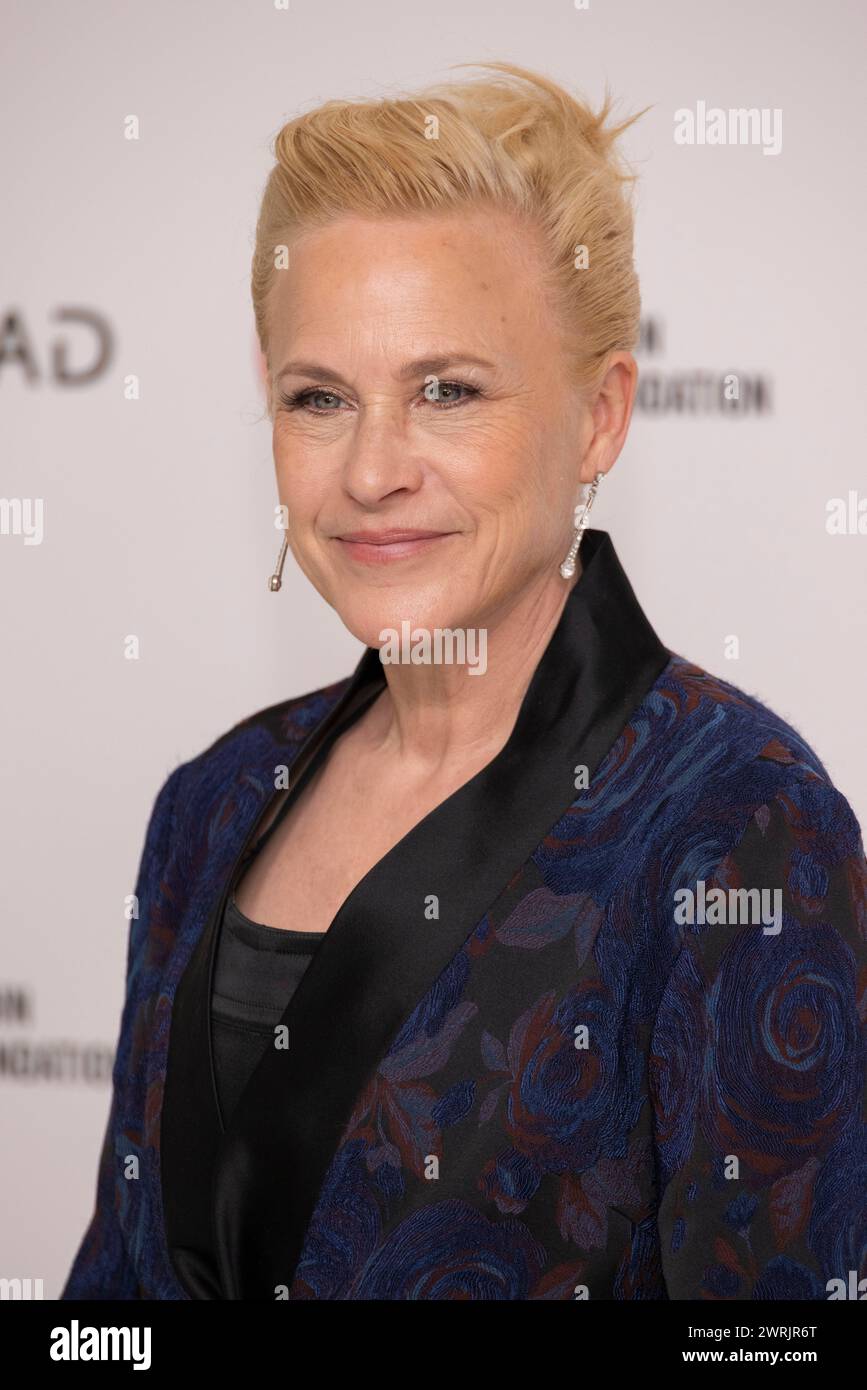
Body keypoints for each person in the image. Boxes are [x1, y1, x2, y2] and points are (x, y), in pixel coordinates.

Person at [61, 61, 866, 1301]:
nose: (374, 468)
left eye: (448, 391)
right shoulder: (214, 802)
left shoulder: (735, 830)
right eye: (319, 396)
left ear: (600, 416)